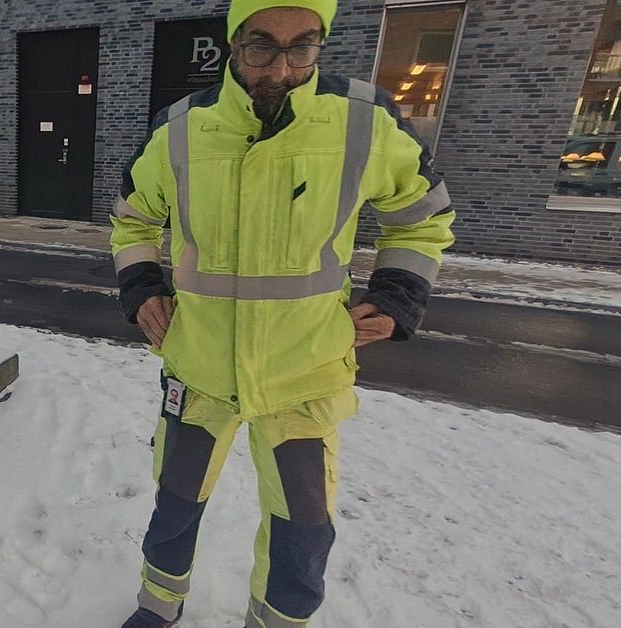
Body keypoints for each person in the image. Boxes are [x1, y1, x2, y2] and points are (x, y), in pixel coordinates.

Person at [111, 1, 455, 625]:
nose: (283, 67)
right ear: (232, 43)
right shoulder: (180, 129)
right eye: (262, 46)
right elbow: (133, 218)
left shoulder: (364, 121)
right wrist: (141, 286)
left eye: (304, 47)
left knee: (303, 528)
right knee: (175, 503)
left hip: (305, 374)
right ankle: (157, 608)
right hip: (199, 368)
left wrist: (400, 290)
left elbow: (421, 215)